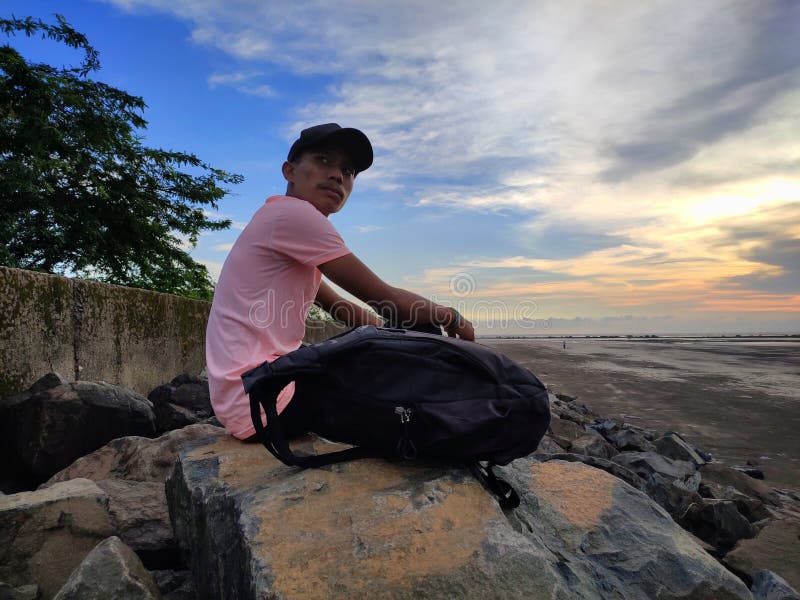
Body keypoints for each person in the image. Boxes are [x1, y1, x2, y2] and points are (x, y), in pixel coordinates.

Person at [206, 123, 475, 441]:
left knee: (405, 347)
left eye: (347, 171)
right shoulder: (294, 217)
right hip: (267, 402)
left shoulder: (277, 221)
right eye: (323, 161)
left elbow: (340, 307)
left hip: (249, 395)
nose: (337, 175)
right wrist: (452, 317)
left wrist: (387, 335)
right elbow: (386, 298)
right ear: (289, 171)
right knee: (423, 340)